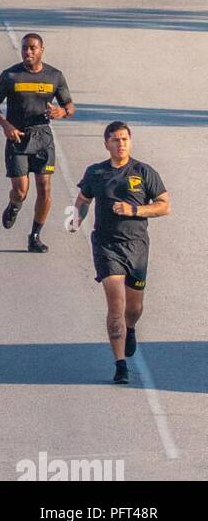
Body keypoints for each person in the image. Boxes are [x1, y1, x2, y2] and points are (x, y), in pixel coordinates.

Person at [67, 121, 170, 385]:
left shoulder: (143, 172)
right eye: (115, 139)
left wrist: (135, 211)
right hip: (106, 246)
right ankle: (120, 364)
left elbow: (163, 205)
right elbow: (83, 200)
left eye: (124, 139)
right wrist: (76, 217)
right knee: (116, 305)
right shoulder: (96, 172)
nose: (120, 143)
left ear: (130, 142)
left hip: (136, 246)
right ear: (106, 143)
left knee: (133, 308)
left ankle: (131, 327)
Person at [0, 34, 74, 252]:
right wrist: (6, 126)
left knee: (45, 189)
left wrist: (61, 111)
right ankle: (14, 205)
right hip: (17, 137)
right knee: (21, 190)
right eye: (25, 48)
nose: (28, 52)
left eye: (33, 48)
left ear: (42, 49)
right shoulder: (10, 76)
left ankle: (35, 235)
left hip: (42, 137)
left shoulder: (54, 76)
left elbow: (70, 106)